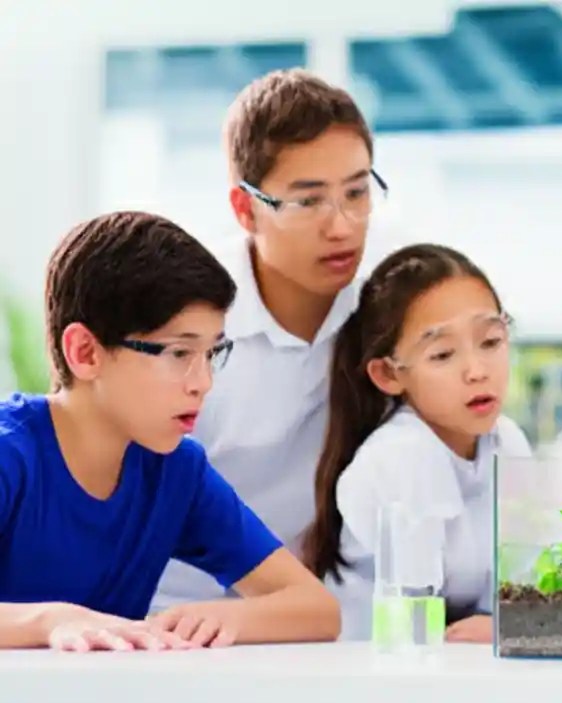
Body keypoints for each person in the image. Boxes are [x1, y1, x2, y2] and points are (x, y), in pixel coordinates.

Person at [0, 211, 340, 651]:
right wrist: (50, 621)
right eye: (179, 353)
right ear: (85, 352)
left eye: (211, 353)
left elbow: (318, 610)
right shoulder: (12, 456)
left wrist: (224, 616)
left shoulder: (175, 470)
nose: (204, 382)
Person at [151, 68, 386, 611]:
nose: (342, 226)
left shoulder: (386, 312)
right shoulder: (182, 323)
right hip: (170, 615)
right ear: (244, 209)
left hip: (320, 619)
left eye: (357, 192)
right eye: (308, 202)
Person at [301, 244, 532, 644]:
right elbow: (415, 621)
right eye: (442, 355)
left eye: (491, 341)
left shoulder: (507, 441)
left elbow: (523, 585)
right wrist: (509, 626)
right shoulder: (401, 456)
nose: (477, 371)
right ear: (389, 374)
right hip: (371, 662)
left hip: (457, 661)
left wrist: (510, 623)